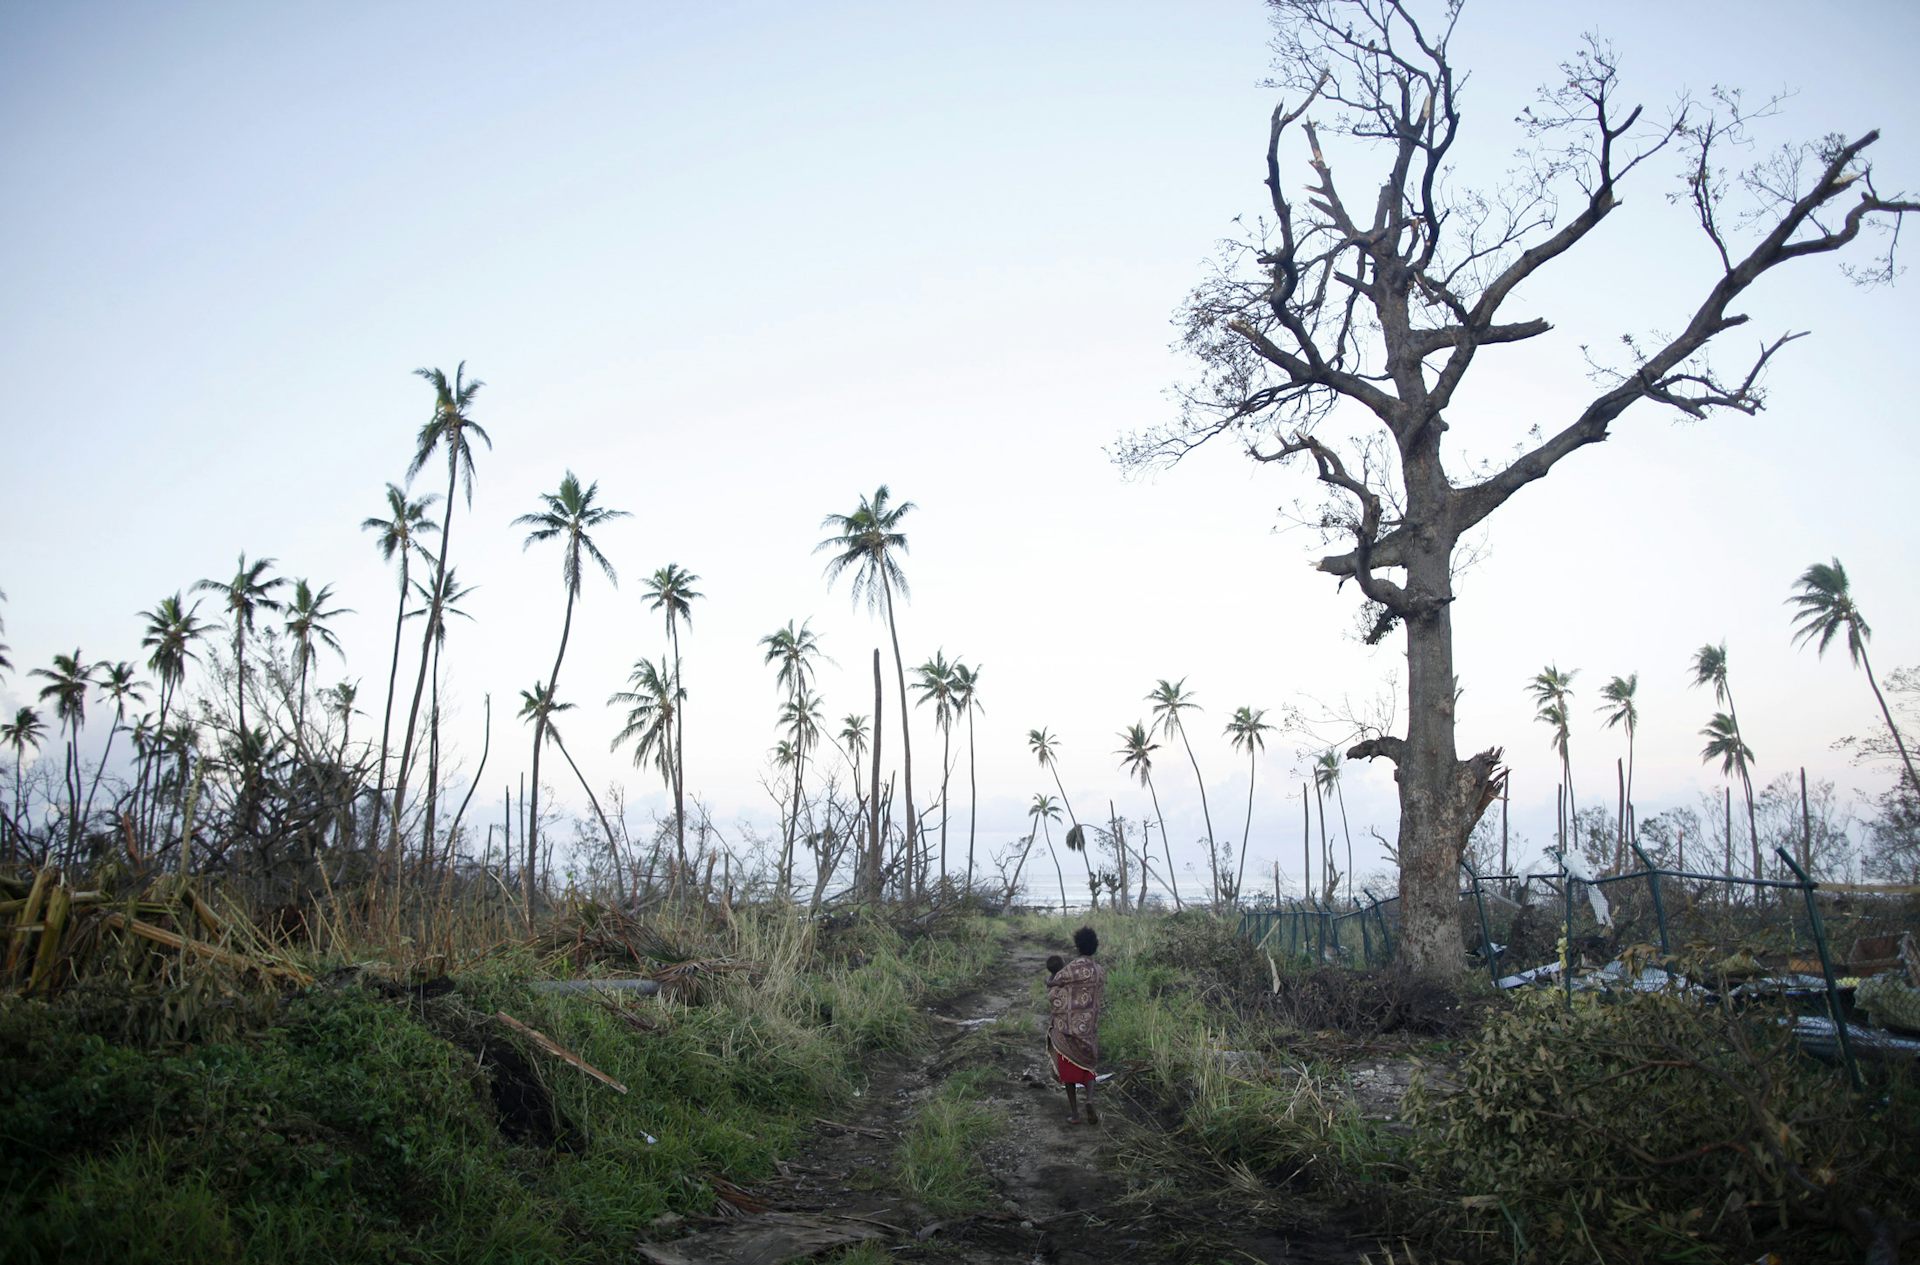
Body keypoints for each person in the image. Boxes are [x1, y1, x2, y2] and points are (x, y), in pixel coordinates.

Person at [1046, 925, 1105, 1124]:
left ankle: (1075, 1114)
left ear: (1077, 946)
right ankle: (1089, 1099)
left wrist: (1051, 984)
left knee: (1069, 1072)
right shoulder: (1099, 971)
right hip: (1089, 1029)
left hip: (1068, 1028)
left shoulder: (1071, 969)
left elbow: (1055, 987)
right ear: (1095, 946)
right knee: (1089, 1066)